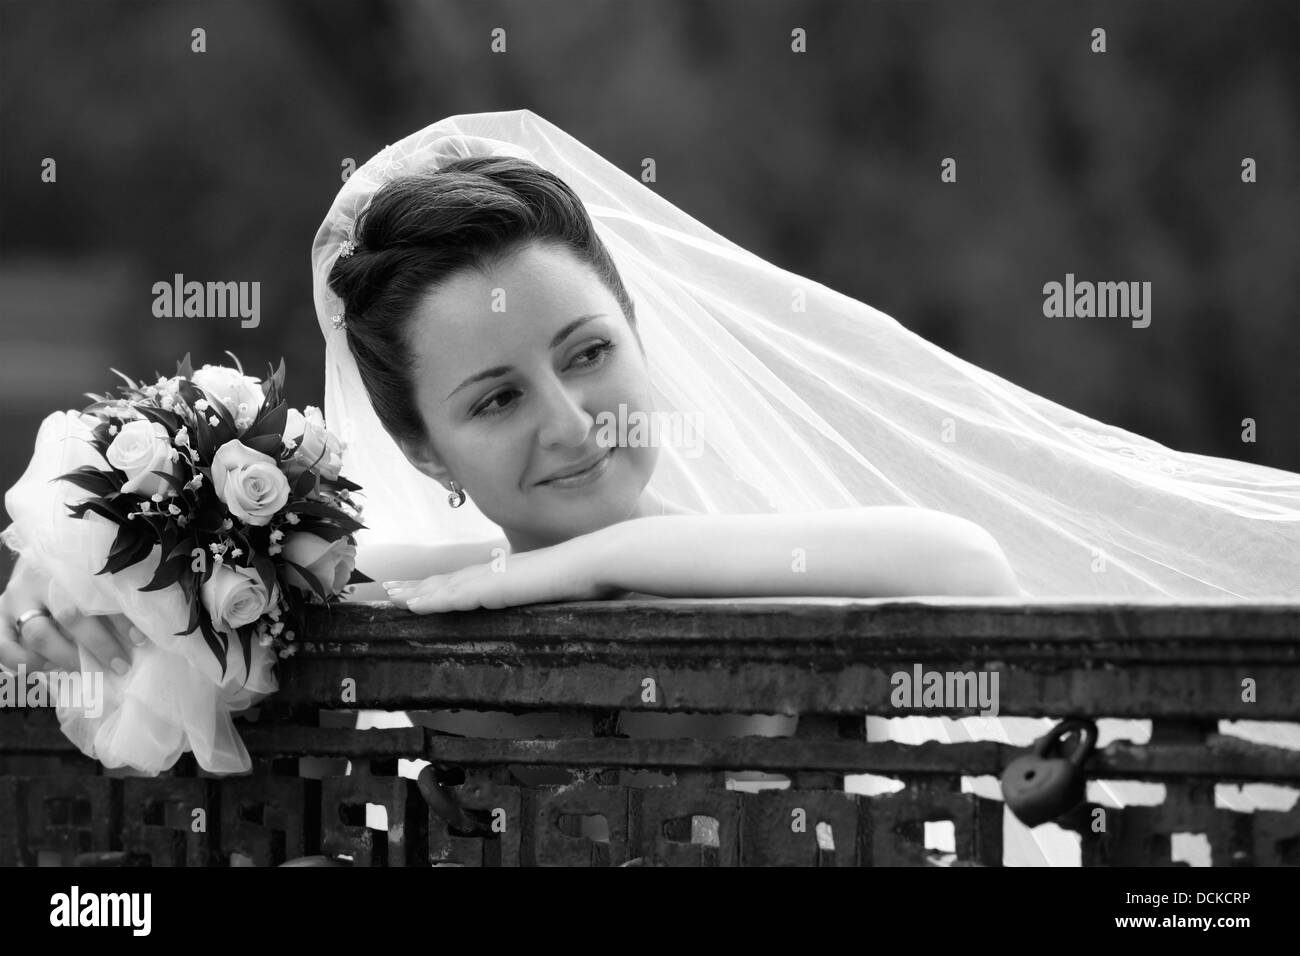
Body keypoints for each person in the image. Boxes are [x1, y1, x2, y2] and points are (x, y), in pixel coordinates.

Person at [5, 110, 1298, 864]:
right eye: (498, 399)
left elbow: (969, 561)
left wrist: (588, 566)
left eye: (587, 355)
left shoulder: (739, 549)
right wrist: (89, 604)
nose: (573, 422)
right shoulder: (436, 581)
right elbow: (151, 626)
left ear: (637, 333)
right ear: (422, 455)